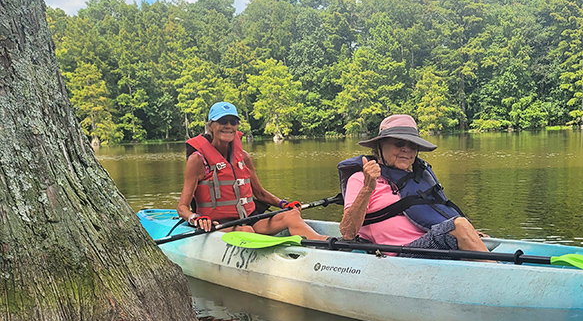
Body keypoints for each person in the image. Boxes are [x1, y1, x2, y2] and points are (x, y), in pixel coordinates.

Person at [338, 114, 489, 255]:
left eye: (413, 146)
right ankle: (497, 272)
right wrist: (367, 188)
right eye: (399, 144)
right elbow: (347, 232)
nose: (407, 149)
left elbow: (437, 212)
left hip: (432, 245)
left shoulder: (417, 179)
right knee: (460, 225)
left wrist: (470, 233)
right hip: (403, 253)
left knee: (468, 230)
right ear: (379, 147)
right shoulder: (360, 179)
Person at [178, 101, 326, 239]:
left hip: (249, 219)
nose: (228, 126)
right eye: (223, 121)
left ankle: (322, 243)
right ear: (211, 126)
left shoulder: (244, 157)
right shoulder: (197, 160)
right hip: (219, 224)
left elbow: (260, 193)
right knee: (247, 231)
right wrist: (195, 218)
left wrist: (283, 204)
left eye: (233, 122)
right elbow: (182, 207)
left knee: (292, 215)